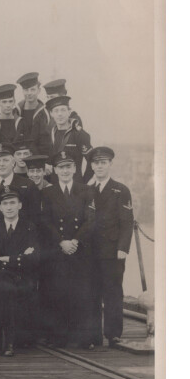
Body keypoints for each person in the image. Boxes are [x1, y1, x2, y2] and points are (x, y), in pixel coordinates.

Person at [0, 186, 43, 356]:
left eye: (13, 202)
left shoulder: (29, 227)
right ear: (0, 207)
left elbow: (34, 259)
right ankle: (9, 343)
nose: (9, 207)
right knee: (5, 286)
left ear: (20, 205)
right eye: (5, 203)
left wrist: (7, 259)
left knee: (4, 285)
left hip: (24, 279)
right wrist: (18, 258)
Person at [40, 149, 97, 348]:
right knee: (56, 292)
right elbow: (45, 221)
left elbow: (90, 220)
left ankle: (82, 338)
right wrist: (61, 241)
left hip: (79, 249)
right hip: (57, 249)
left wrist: (75, 241)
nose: (65, 171)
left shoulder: (86, 190)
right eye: (60, 167)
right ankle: (57, 336)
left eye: (68, 167)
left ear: (74, 168)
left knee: (81, 293)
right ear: (55, 170)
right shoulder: (47, 192)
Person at [86, 146, 135, 345]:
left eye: (103, 163)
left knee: (113, 292)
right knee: (91, 292)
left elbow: (127, 222)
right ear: (91, 165)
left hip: (112, 251)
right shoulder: (85, 189)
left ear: (110, 164)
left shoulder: (120, 190)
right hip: (89, 251)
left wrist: (123, 248)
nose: (100, 166)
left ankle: (113, 334)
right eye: (96, 163)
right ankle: (93, 335)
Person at [39, 81, 94, 182]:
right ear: (51, 114)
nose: (60, 114)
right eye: (56, 111)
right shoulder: (51, 133)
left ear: (69, 112)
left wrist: (83, 183)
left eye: (63, 110)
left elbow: (92, 161)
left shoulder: (80, 134)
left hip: (75, 186)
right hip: (55, 185)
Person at [0, 142, 42, 228]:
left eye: (5, 160)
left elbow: (35, 218)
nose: (1, 164)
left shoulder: (28, 185)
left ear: (13, 162)